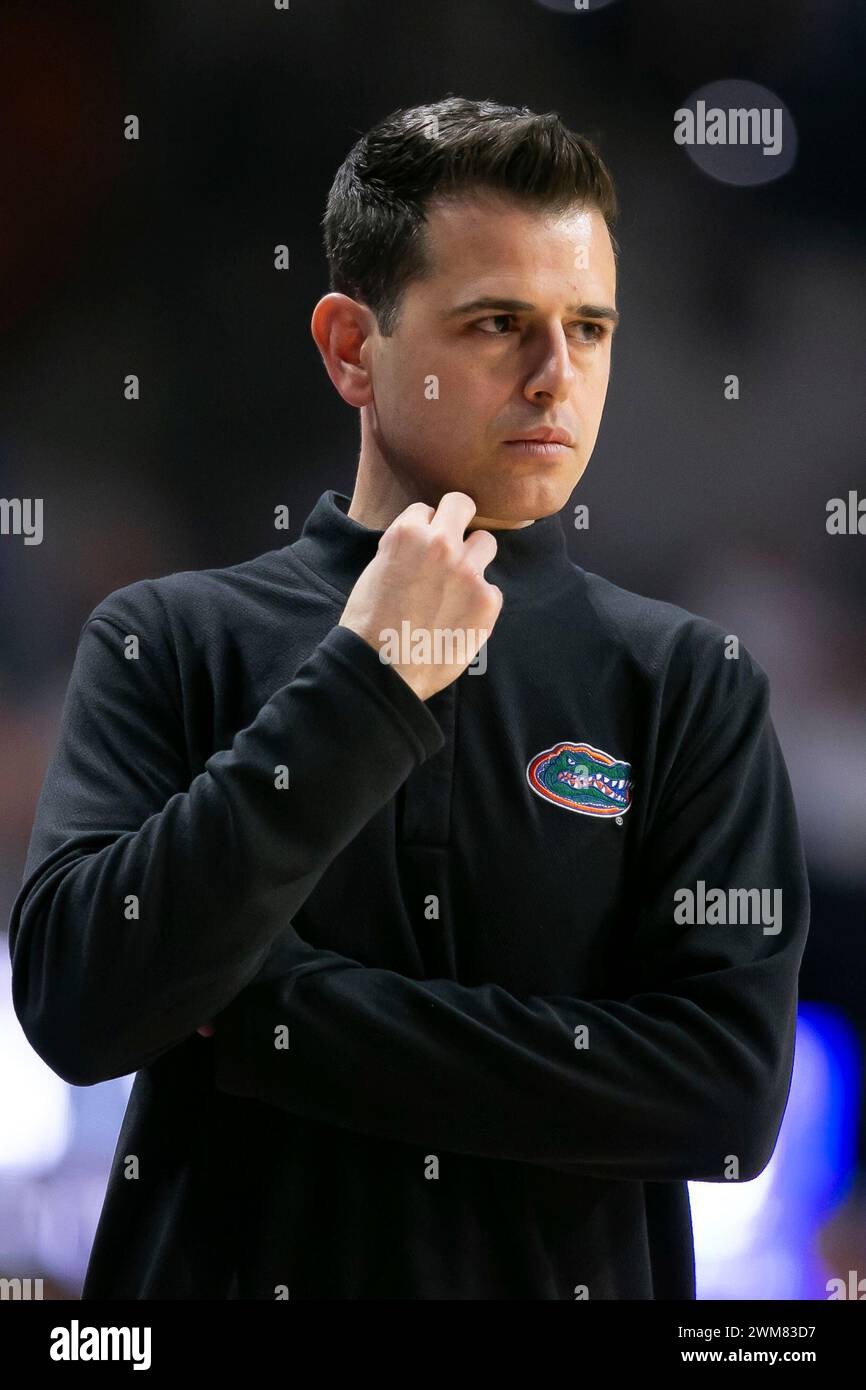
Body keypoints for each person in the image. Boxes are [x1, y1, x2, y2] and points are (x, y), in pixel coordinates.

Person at [8, 96, 810, 1299]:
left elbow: (724, 1101)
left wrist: (263, 1009)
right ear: (348, 347)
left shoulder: (687, 681)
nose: (555, 377)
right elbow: (81, 1004)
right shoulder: (166, 638)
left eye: (587, 328)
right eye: (498, 323)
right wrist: (368, 682)